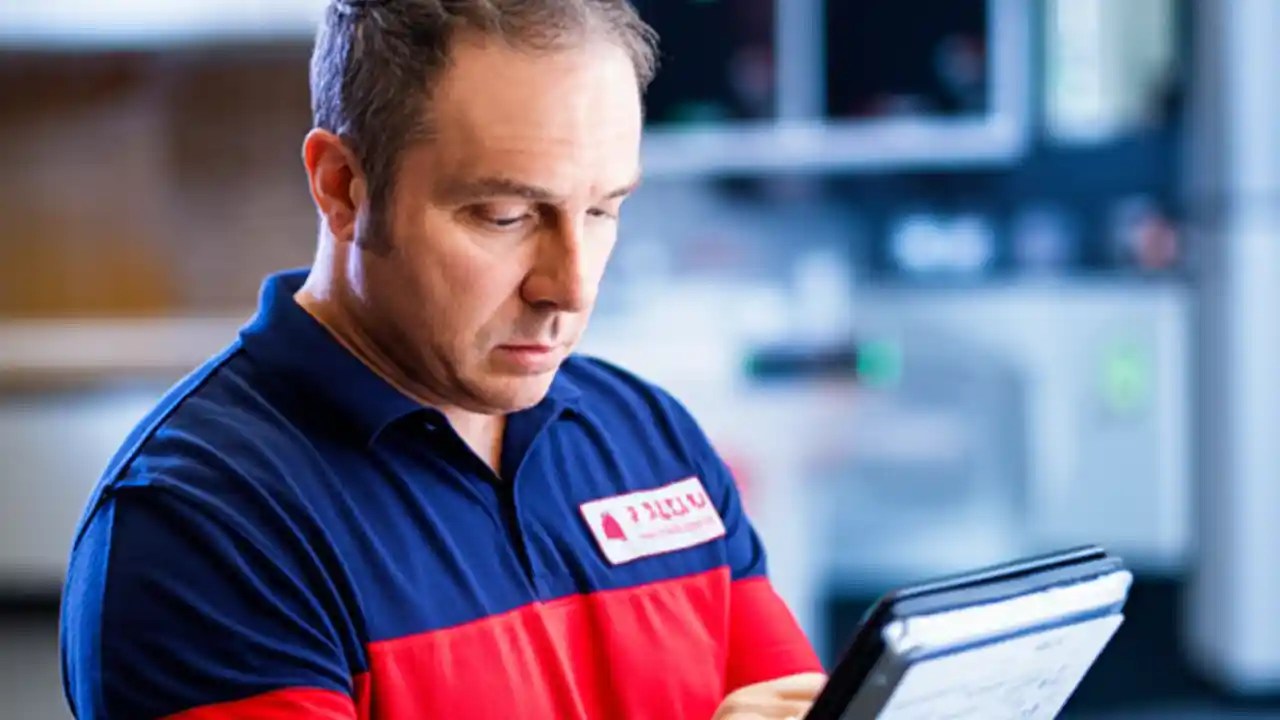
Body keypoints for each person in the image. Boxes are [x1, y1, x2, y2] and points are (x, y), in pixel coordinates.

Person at [59, 1, 825, 717]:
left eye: (601, 210)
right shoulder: (204, 525)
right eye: (506, 215)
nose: (571, 286)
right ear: (342, 188)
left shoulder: (649, 438)